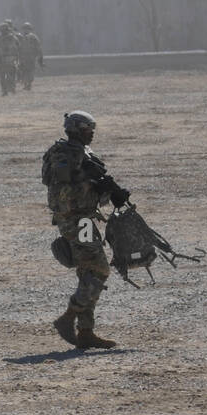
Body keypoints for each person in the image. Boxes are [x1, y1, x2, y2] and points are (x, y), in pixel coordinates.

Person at [41, 112, 128, 349]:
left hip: (83, 218)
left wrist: (108, 191)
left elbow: (86, 186)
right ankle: (68, 317)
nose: (92, 133)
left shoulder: (81, 153)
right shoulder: (66, 153)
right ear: (77, 129)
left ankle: (86, 331)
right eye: (88, 129)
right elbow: (64, 186)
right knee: (100, 268)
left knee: (87, 271)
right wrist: (89, 180)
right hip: (77, 221)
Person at [0, 23, 21, 96]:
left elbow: (18, 47)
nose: (3, 31)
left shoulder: (12, 38)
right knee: (3, 77)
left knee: (10, 76)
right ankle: (5, 90)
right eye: (2, 30)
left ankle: (11, 88)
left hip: (10, 59)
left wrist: (17, 57)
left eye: (4, 30)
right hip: (3, 60)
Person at [18, 22, 45, 90]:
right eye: (24, 29)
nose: (25, 30)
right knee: (23, 71)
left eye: (27, 29)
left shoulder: (33, 37)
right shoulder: (20, 37)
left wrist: (40, 57)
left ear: (30, 29)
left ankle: (28, 84)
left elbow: (38, 47)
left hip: (31, 58)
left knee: (30, 71)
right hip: (22, 58)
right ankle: (26, 84)